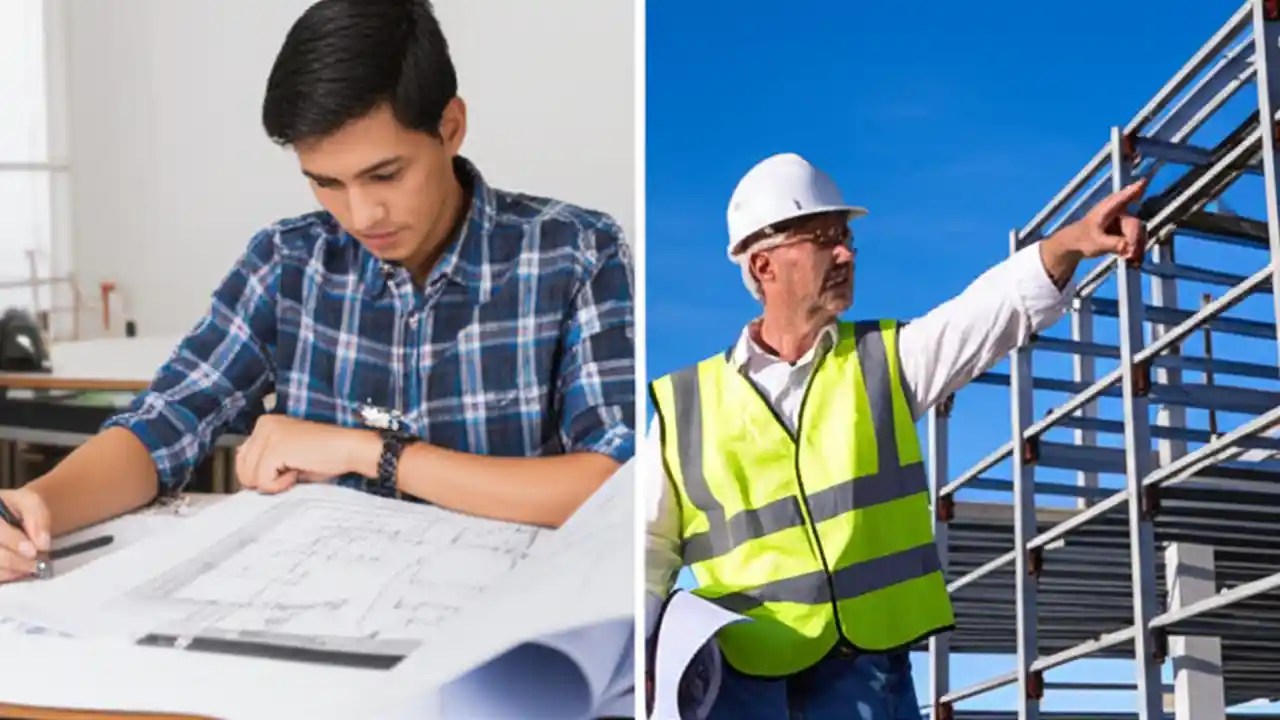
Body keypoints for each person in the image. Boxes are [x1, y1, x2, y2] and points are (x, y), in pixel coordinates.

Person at [0, 0, 634, 583]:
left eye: (385, 174)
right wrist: (37, 505)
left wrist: (367, 452)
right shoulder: (287, 261)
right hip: (314, 615)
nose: (361, 215)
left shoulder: (574, 251)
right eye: (326, 182)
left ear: (451, 127)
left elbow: (612, 482)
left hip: (502, 629)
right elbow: (161, 424)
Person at [644, 151, 1147, 719]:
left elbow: (981, 316)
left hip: (866, 674)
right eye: (822, 238)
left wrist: (1066, 246)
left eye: (846, 239)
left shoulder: (883, 359)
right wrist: (633, 656)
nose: (844, 253)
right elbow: (648, 546)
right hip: (742, 683)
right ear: (764, 267)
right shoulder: (684, 405)